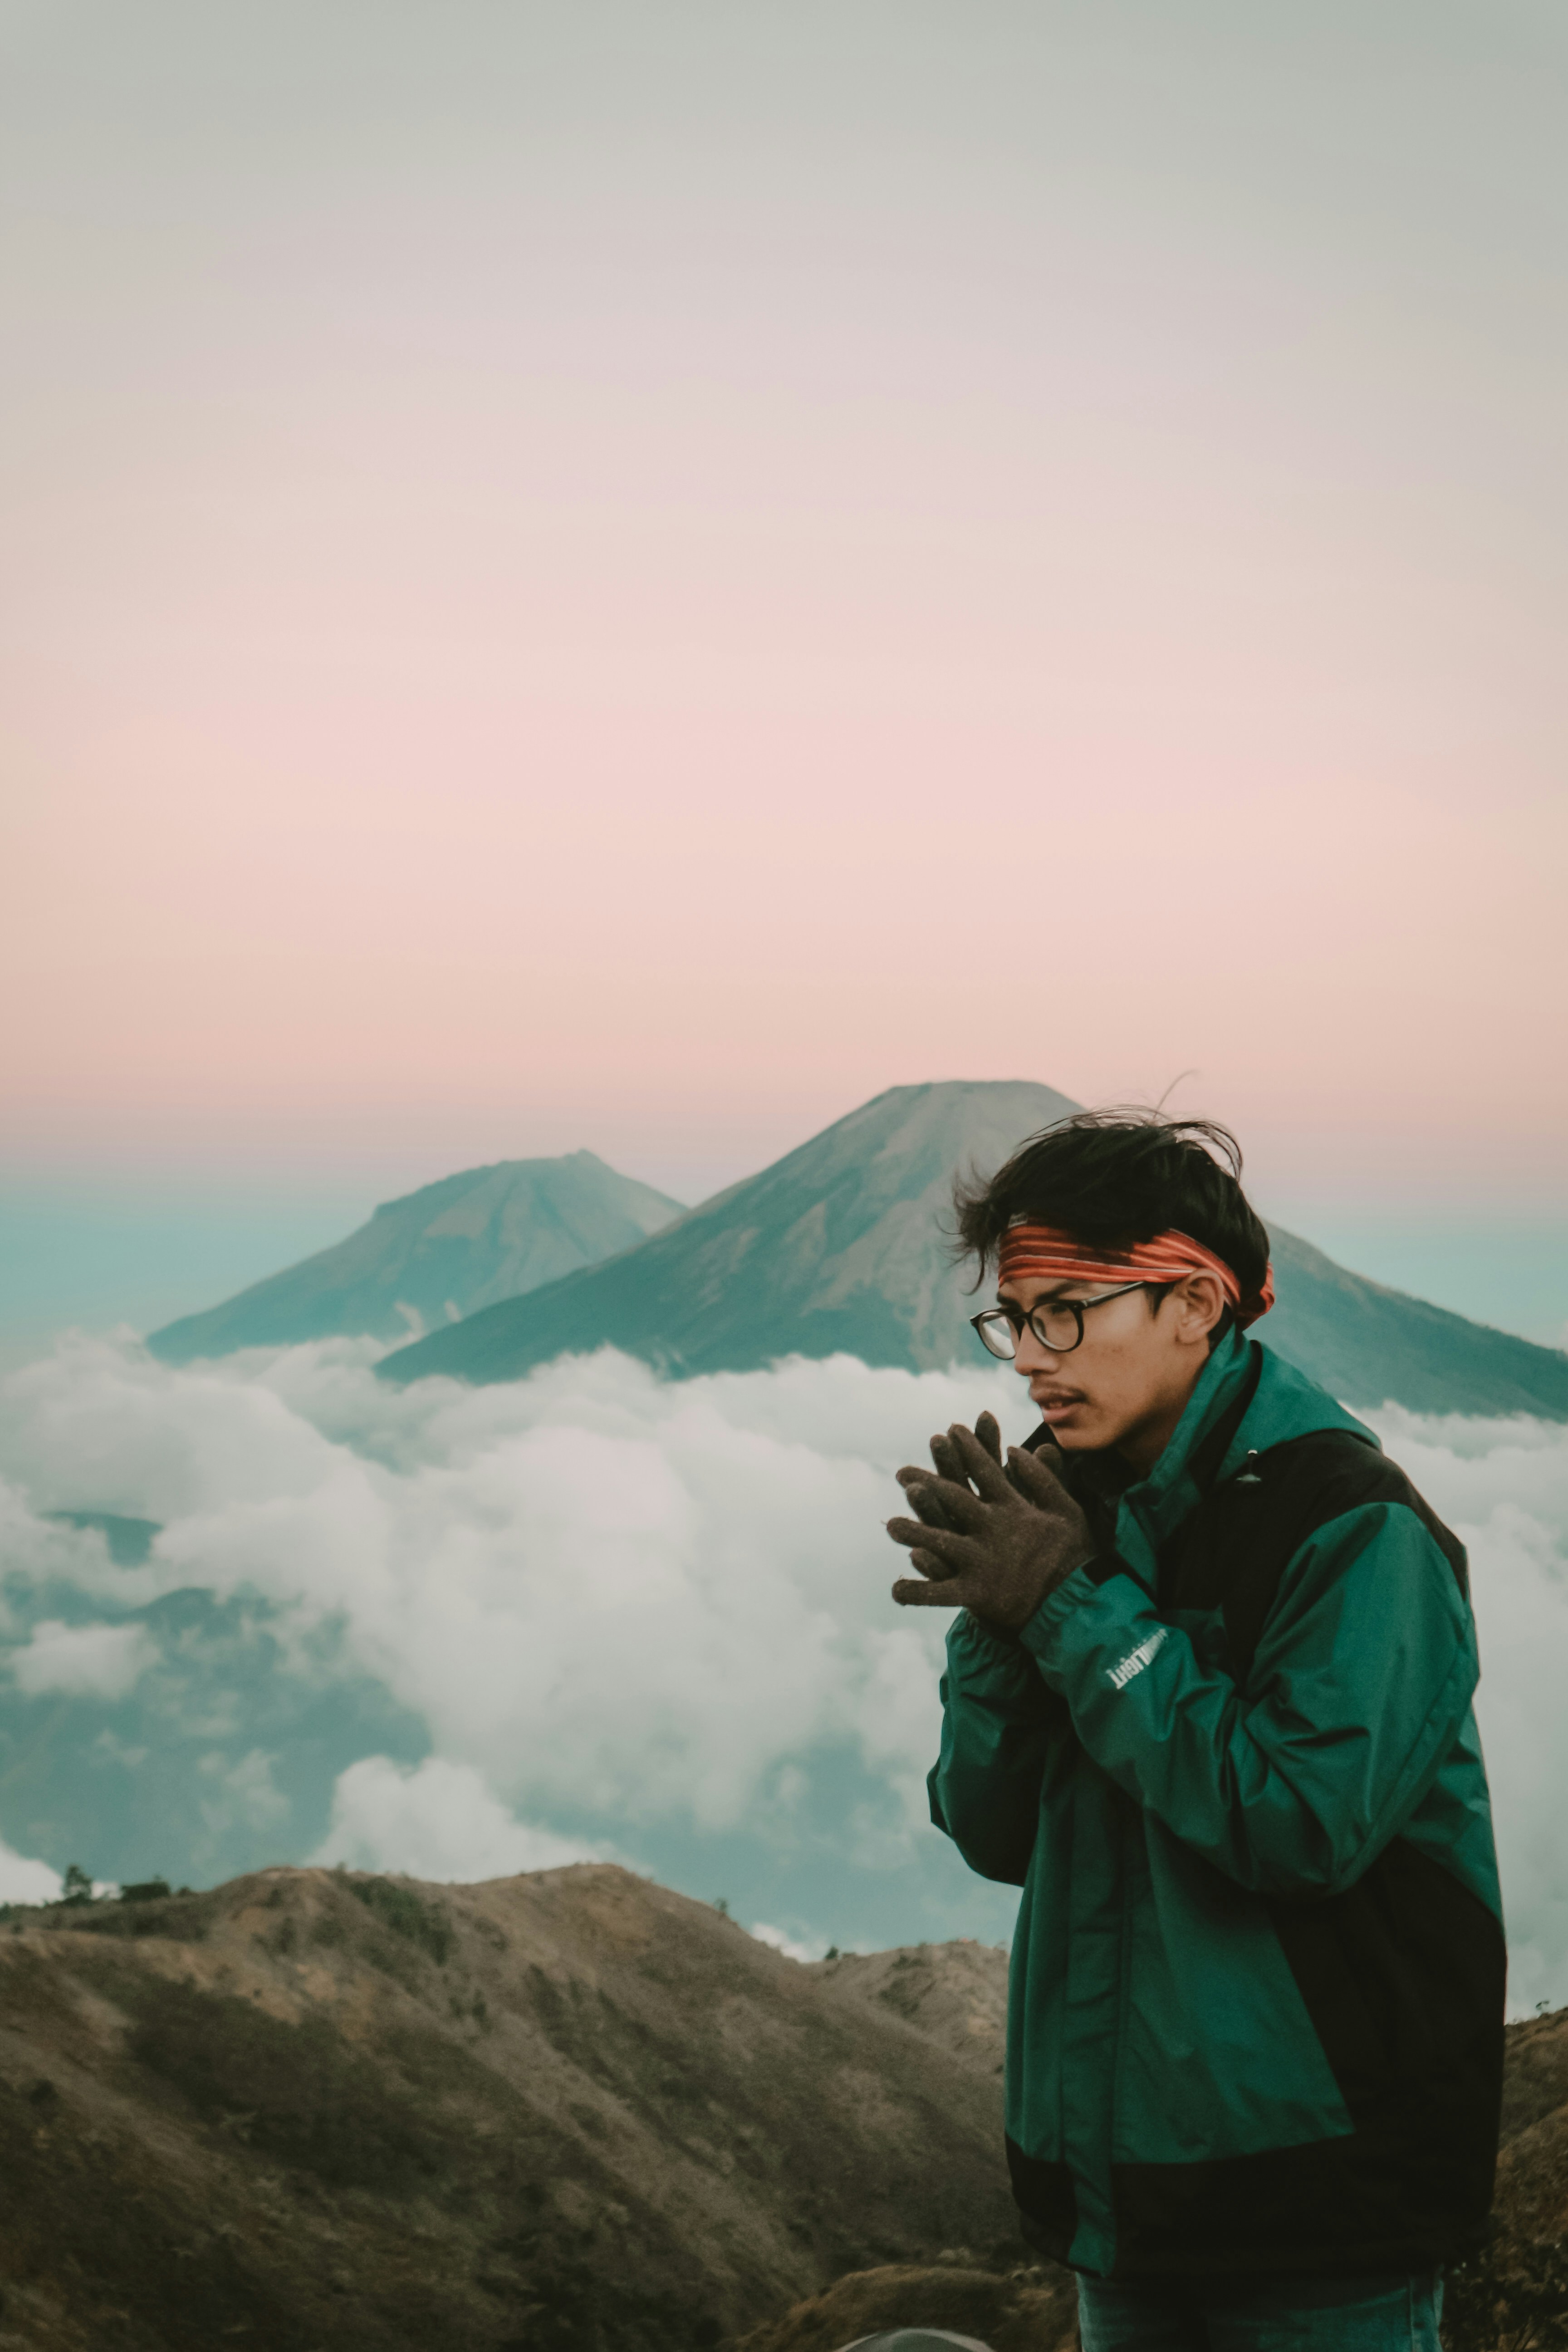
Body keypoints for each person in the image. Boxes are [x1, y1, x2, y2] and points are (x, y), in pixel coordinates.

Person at [885, 1112, 1504, 2352]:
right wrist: (1006, 1626)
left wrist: (1066, 1610)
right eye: (1016, 1318)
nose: (1030, 1357)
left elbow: (1298, 1827)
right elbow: (995, 1831)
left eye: (1068, 1309)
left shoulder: (1353, 1531)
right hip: (1127, 2208)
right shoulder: (1074, 1510)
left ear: (1196, 1302)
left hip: (1324, 2216)